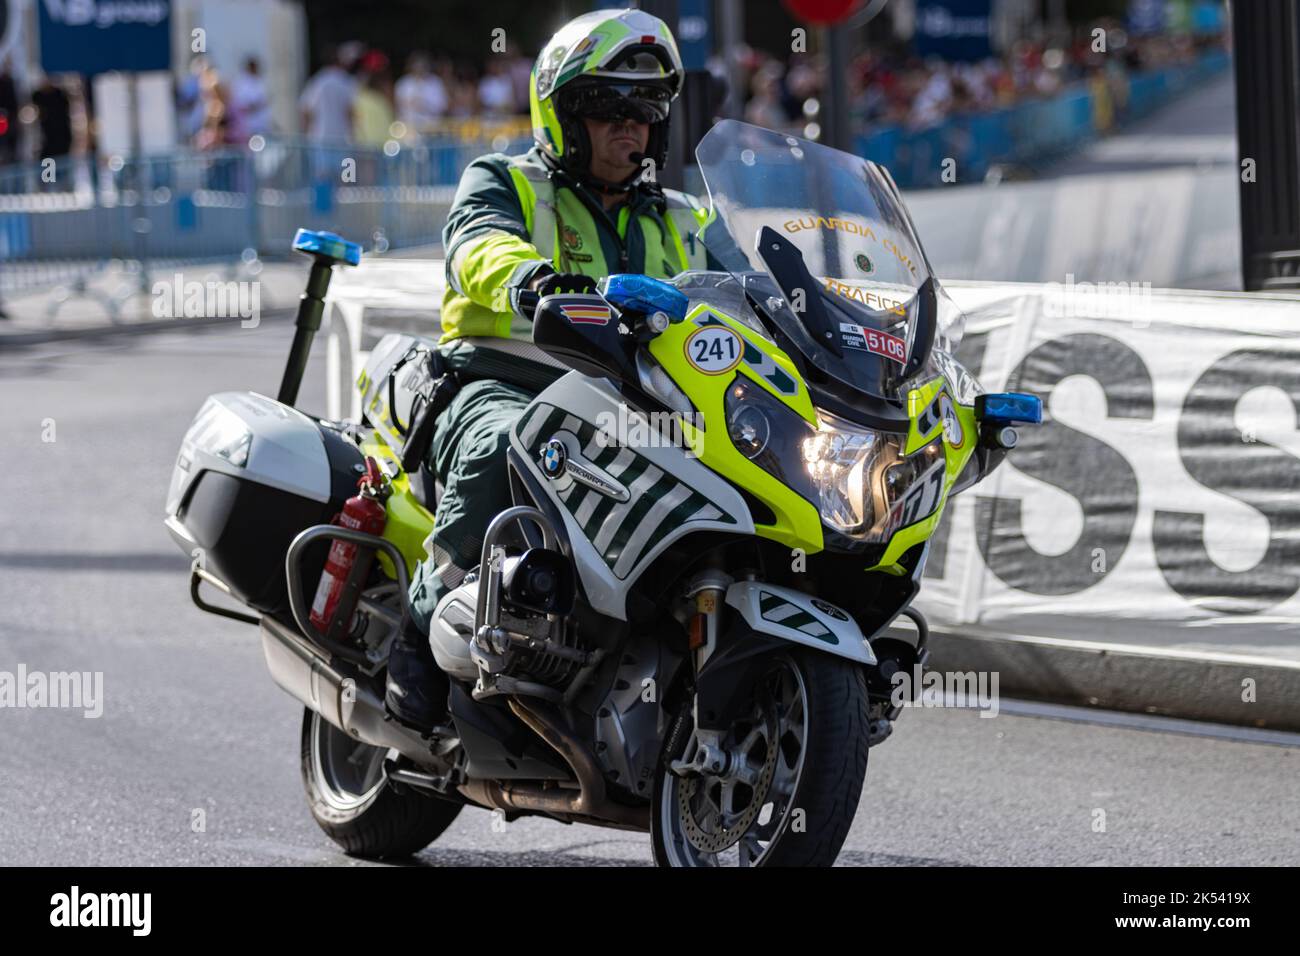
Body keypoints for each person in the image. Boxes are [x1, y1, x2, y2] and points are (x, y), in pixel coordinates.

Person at [384, 8, 723, 731]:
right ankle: (415, 633)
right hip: (504, 379)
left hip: (635, 406)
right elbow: (475, 246)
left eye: (646, 110)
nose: (630, 126)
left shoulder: (688, 217)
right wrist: (532, 279)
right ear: (564, 113)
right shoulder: (504, 179)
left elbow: (746, 292)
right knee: (510, 442)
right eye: (608, 108)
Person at [300, 46, 356, 144]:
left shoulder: (317, 81)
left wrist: (305, 136)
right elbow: (350, 111)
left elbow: (305, 110)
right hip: (341, 138)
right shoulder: (346, 81)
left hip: (319, 137)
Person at [229, 57, 272, 141]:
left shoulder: (259, 82)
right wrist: (257, 105)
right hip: (248, 126)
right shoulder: (242, 83)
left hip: (261, 125)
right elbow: (242, 105)